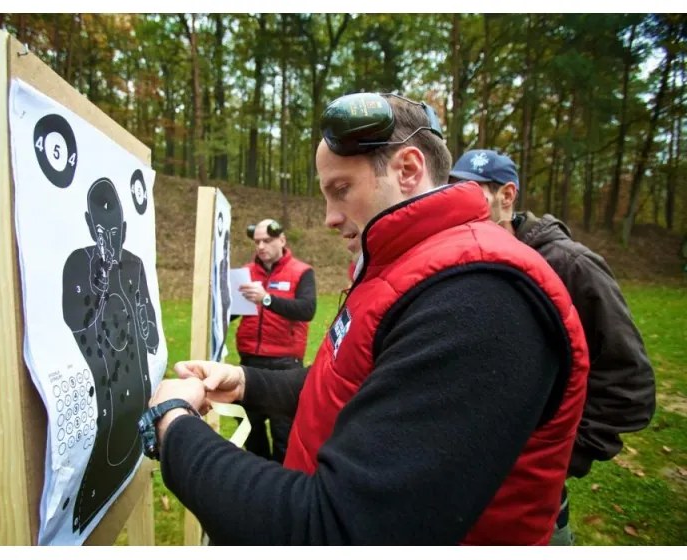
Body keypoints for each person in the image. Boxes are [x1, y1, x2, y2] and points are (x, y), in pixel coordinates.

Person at [141, 92, 590, 544]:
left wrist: (173, 425)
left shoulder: (478, 296)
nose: (330, 218)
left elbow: (338, 531)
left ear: (408, 171)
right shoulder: (408, 268)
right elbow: (351, 381)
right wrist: (246, 383)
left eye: (341, 190)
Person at [449, 149, 656, 545]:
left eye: (475, 191)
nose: (463, 201)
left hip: (532, 500)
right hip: (465, 487)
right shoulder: (468, 255)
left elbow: (630, 384)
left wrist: (562, 457)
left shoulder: (572, 265)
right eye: (455, 190)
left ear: (507, 195)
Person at [62, 177, 159, 533]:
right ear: (89, 226)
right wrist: (96, 291)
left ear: (126, 228)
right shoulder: (79, 264)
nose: (109, 240)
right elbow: (75, 320)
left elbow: (151, 335)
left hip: (137, 417)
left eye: (115, 231)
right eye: (101, 230)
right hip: (104, 420)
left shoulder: (133, 265)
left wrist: (143, 319)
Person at [235, 218, 316, 463]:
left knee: (285, 435)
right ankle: (259, 485)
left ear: (281, 240)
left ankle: (284, 488)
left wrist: (267, 299)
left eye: (267, 241)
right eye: (257, 241)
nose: (261, 246)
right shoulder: (246, 273)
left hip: (285, 365)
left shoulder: (302, 272)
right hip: (249, 361)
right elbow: (233, 313)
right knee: (252, 431)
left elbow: (307, 309)